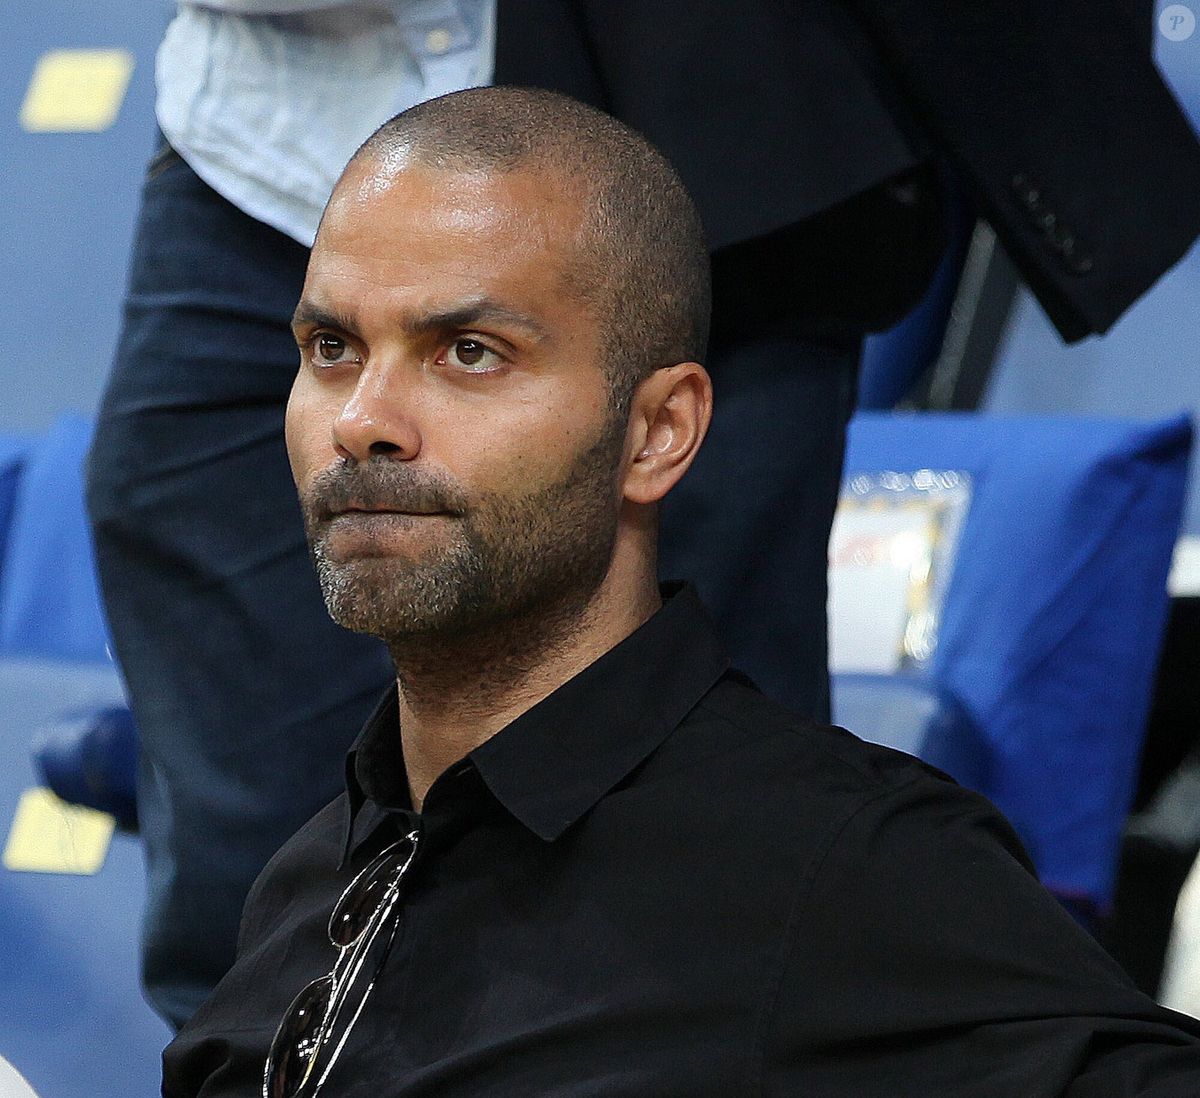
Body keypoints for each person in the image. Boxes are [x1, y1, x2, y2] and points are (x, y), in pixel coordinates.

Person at [88, 0, 1200, 1029]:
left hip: (709, 133)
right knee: (250, 917)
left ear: (665, 426)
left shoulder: (882, 866)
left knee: (711, 868)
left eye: (467, 357)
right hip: (266, 147)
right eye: (329, 352)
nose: (369, 417)